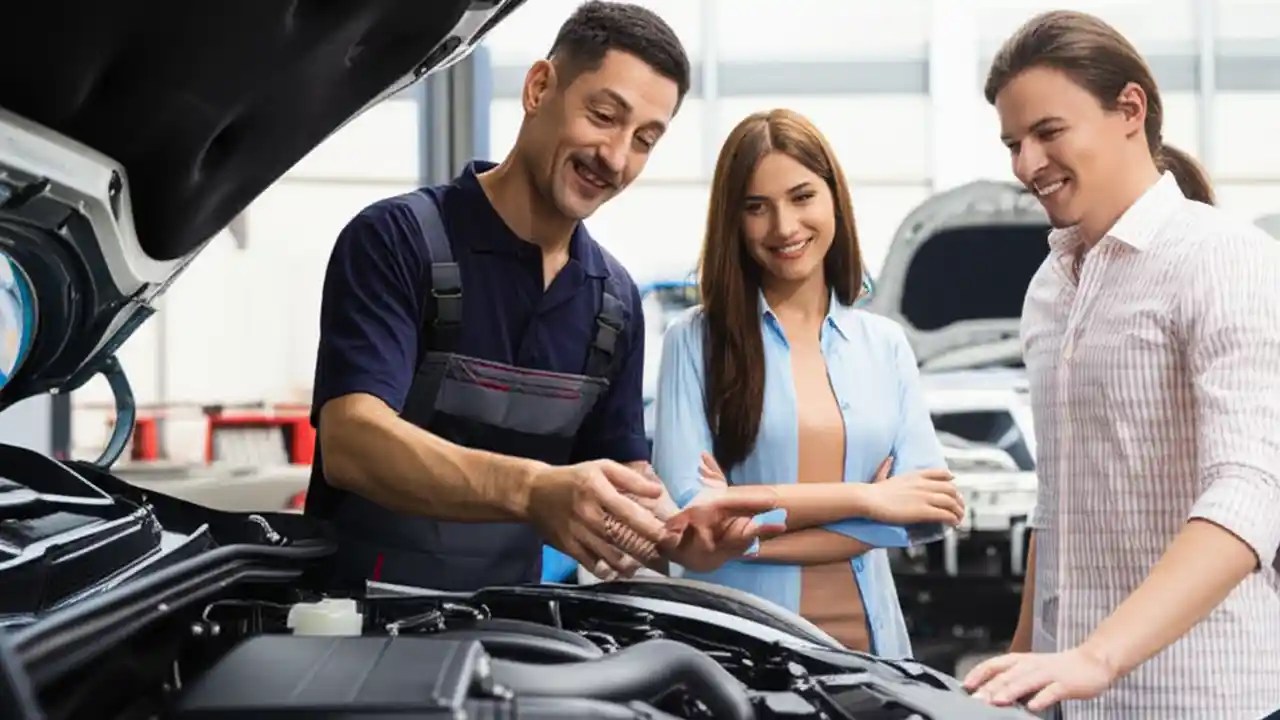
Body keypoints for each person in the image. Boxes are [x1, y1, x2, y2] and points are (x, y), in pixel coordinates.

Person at [304, 1, 780, 594]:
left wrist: (679, 540)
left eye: (644, 140)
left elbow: (622, 483)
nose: (615, 157)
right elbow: (352, 442)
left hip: (509, 636)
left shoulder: (615, 304)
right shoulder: (396, 241)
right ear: (538, 87)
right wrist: (532, 490)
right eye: (604, 115)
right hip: (355, 628)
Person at [962, 10, 1280, 719]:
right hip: (1072, 698)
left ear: (1130, 109)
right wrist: (1021, 674)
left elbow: (1250, 490)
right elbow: (1059, 503)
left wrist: (1096, 656)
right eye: (1014, 143)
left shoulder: (1223, 257)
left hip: (1202, 698)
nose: (1026, 165)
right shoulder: (1048, 289)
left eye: (1048, 133)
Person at [650, 108, 966, 656]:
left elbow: (926, 509)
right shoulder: (694, 341)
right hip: (737, 650)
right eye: (756, 207)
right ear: (733, 220)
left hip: (873, 648)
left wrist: (747, 529)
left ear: (833, 198)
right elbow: (691, 525)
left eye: (801, 197)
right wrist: (869, 500)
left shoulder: (885, 345)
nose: (784, 227)